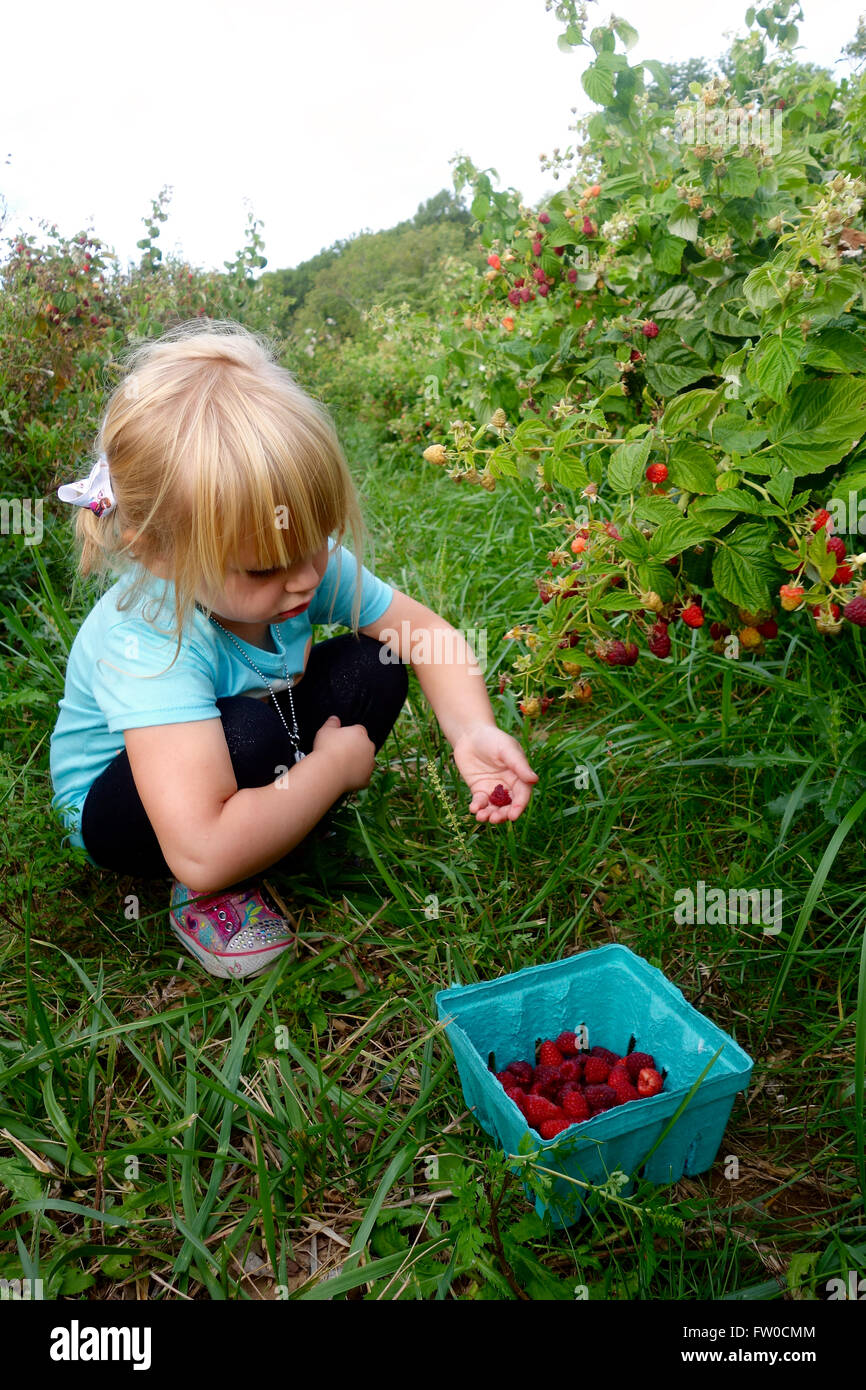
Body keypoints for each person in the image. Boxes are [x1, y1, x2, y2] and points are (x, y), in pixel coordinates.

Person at [50, 320, 538, 980]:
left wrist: (473, 729)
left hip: (247, 741)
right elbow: (197, 846)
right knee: (249, 736)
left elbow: (427, 637)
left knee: (378, 665)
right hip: (133, 810)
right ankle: (212, 891)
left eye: (315, 543)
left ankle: (271, 821)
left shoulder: (292, 566)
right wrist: (330, 771)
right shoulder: (146, 639)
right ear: (156, 552)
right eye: (263, 570)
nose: (306, 577)